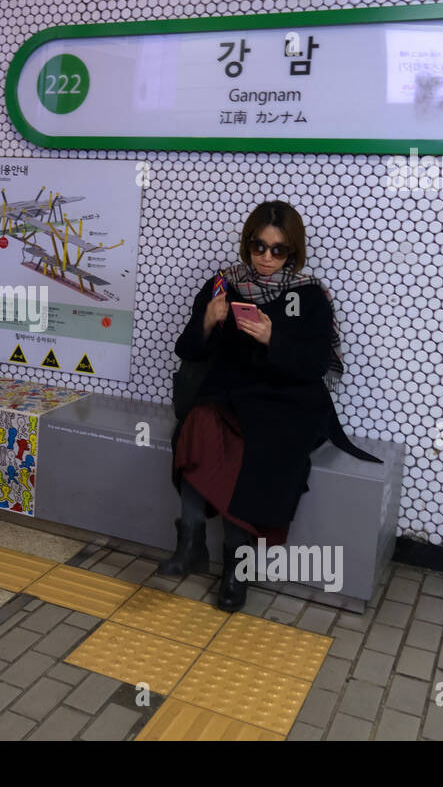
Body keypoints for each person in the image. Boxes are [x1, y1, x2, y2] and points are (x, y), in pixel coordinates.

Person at [159, 201, 379, 611]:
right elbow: (187, 349)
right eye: (258, 246)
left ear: (292, 252)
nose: (266, 258)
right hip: (230, 393)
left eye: (278, 250)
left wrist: (272, 338)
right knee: (197, 425)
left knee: (254, 448)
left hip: (287, 400)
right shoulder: (224, 285)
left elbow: (315, 365)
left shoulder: (308, 295)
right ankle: (190, 540)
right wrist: (207, 320)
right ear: (247, 245)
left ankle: (235, 567)